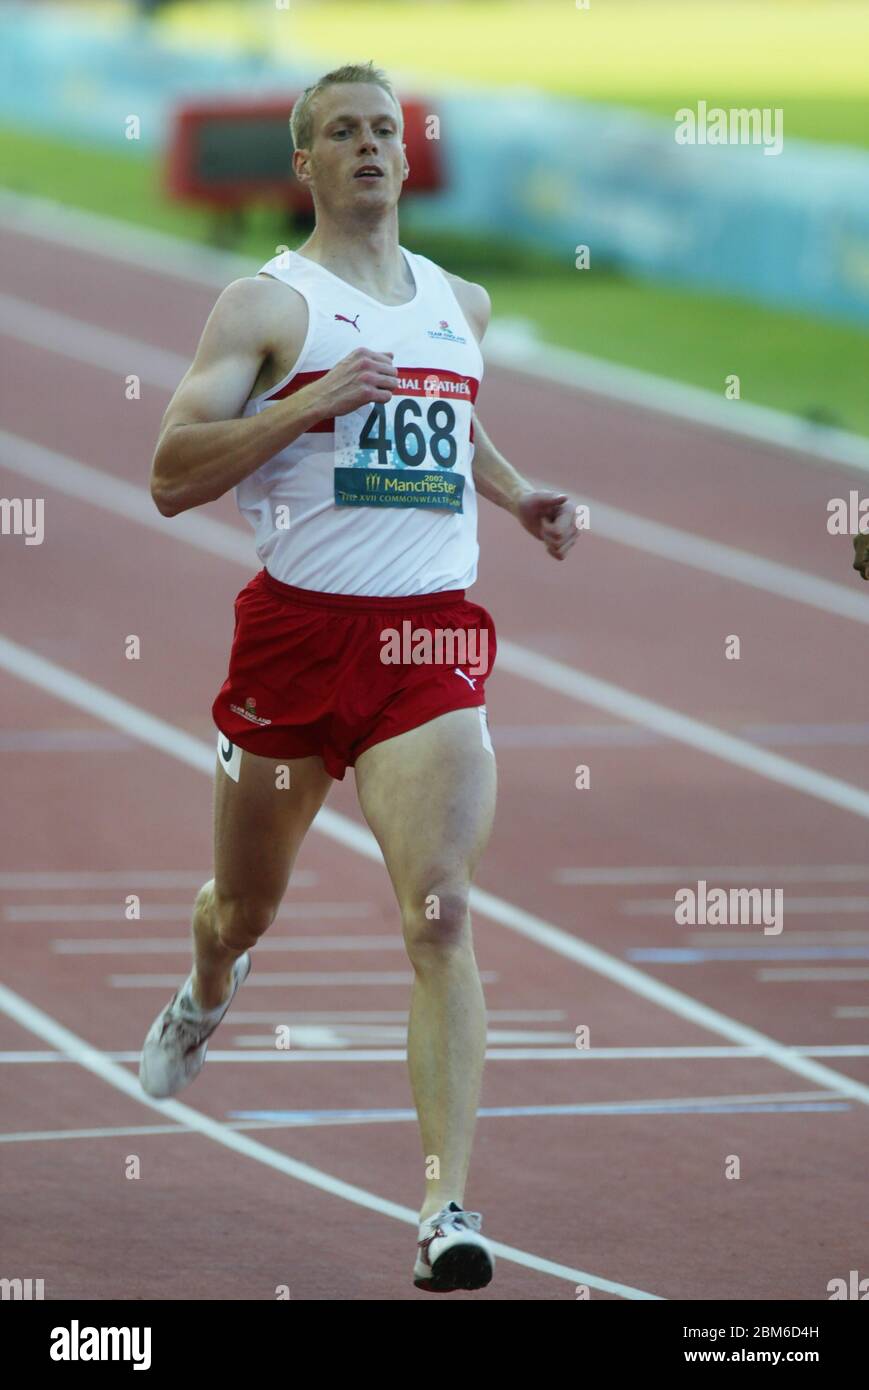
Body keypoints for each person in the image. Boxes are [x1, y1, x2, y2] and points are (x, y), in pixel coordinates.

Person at [139, 61, 577, 1293]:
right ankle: (206, 985)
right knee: (244, 909)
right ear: (307, 162)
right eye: (344, 131)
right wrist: (310, 401)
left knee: (438, 909)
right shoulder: (265, 307)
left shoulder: (461, 302)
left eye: (386, 129)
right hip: (294, 640)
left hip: (426, 645)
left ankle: (446, 1207)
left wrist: (517, 493)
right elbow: (171, 471)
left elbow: (451, 416)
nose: (372, 147)